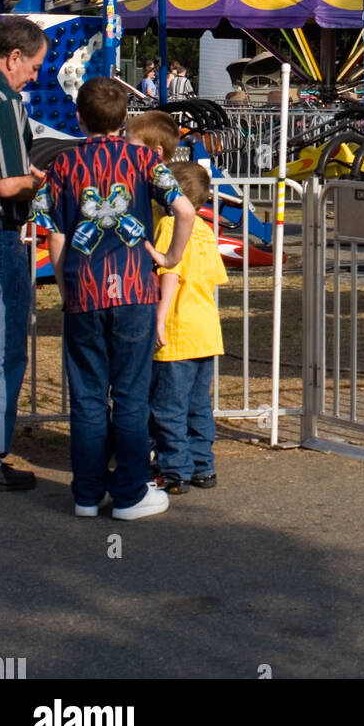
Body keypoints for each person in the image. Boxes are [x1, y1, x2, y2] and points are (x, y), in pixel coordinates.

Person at [34, 77, 195, 520]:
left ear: (79, 117)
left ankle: (86, 494)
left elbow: (56, 233)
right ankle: (128, 495)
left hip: (84, 287)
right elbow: (184, 209)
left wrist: (67, 288)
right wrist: (169, 256)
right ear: (125, 118)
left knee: (87, 397)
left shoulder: (63, 166)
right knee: (130, 394)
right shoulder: (144, 159)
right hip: (134, 288)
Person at [0, 16, 49, 491]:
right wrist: (39, 181)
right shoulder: (3, 100)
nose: (35, 76)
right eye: (34, 66)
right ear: (13, 58)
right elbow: (7, 184)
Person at [150, 162, 228, 493]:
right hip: (206, 329)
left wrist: (159, 317)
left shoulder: (170, 225)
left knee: (169, 406)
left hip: (177, 327)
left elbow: (170, 270)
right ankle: (202, 466)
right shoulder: (205, 229)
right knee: (198, 405)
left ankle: (174, 469)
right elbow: (215, 277)